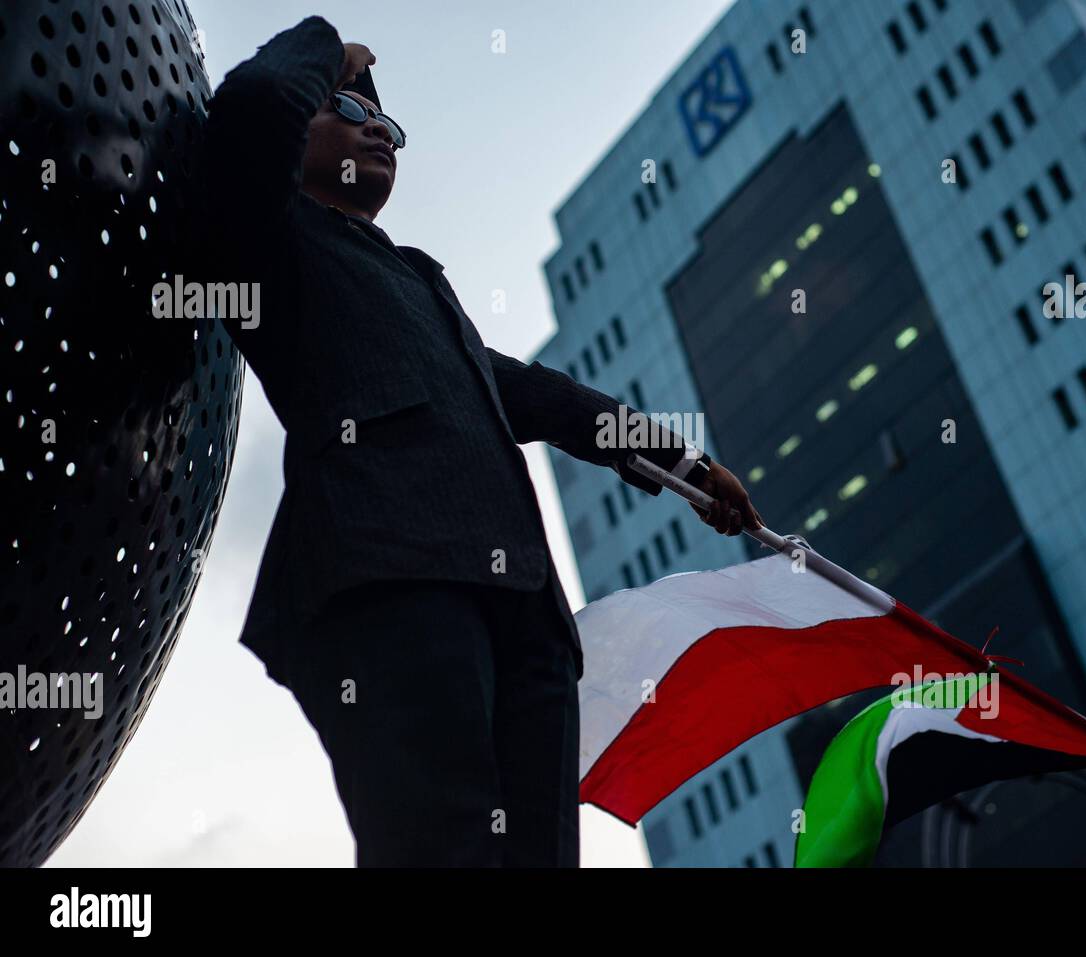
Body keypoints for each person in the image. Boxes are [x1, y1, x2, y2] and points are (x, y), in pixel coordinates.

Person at [188, 15, 763, 866]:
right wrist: (329, 45)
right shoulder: (264, 242)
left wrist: (689, 467)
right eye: (350, 107)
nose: (380, 126)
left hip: (526, 617)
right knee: (442, 848)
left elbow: (551, 399)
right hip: (389, 574)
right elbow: (253, 106)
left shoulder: (421, 280)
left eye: (390, 123)